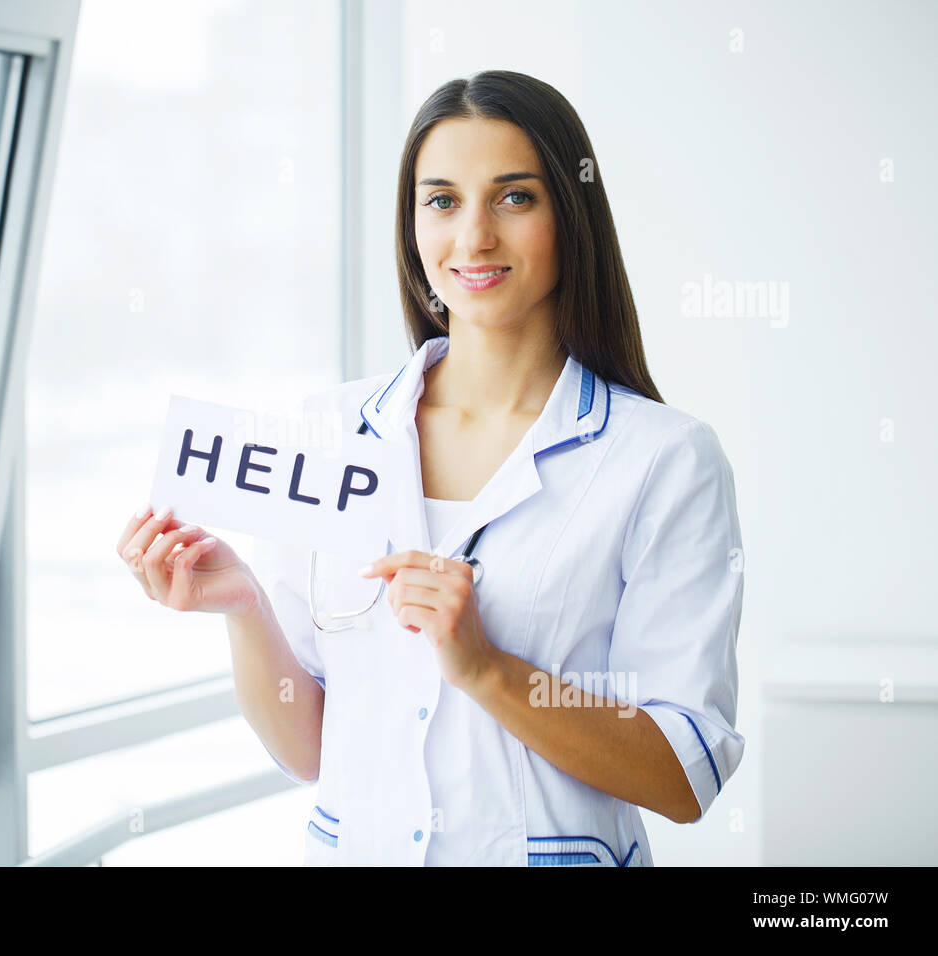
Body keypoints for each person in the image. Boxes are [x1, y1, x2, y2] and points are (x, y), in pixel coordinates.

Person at [116, 70, 744, 866]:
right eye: (442, 201)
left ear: (570, 218)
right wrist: (243, 606)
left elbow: (683, 777)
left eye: (514, 198)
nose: (473, 237)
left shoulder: (662, 461)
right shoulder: (330, 431)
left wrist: (486, 670)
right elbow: (314, 750)